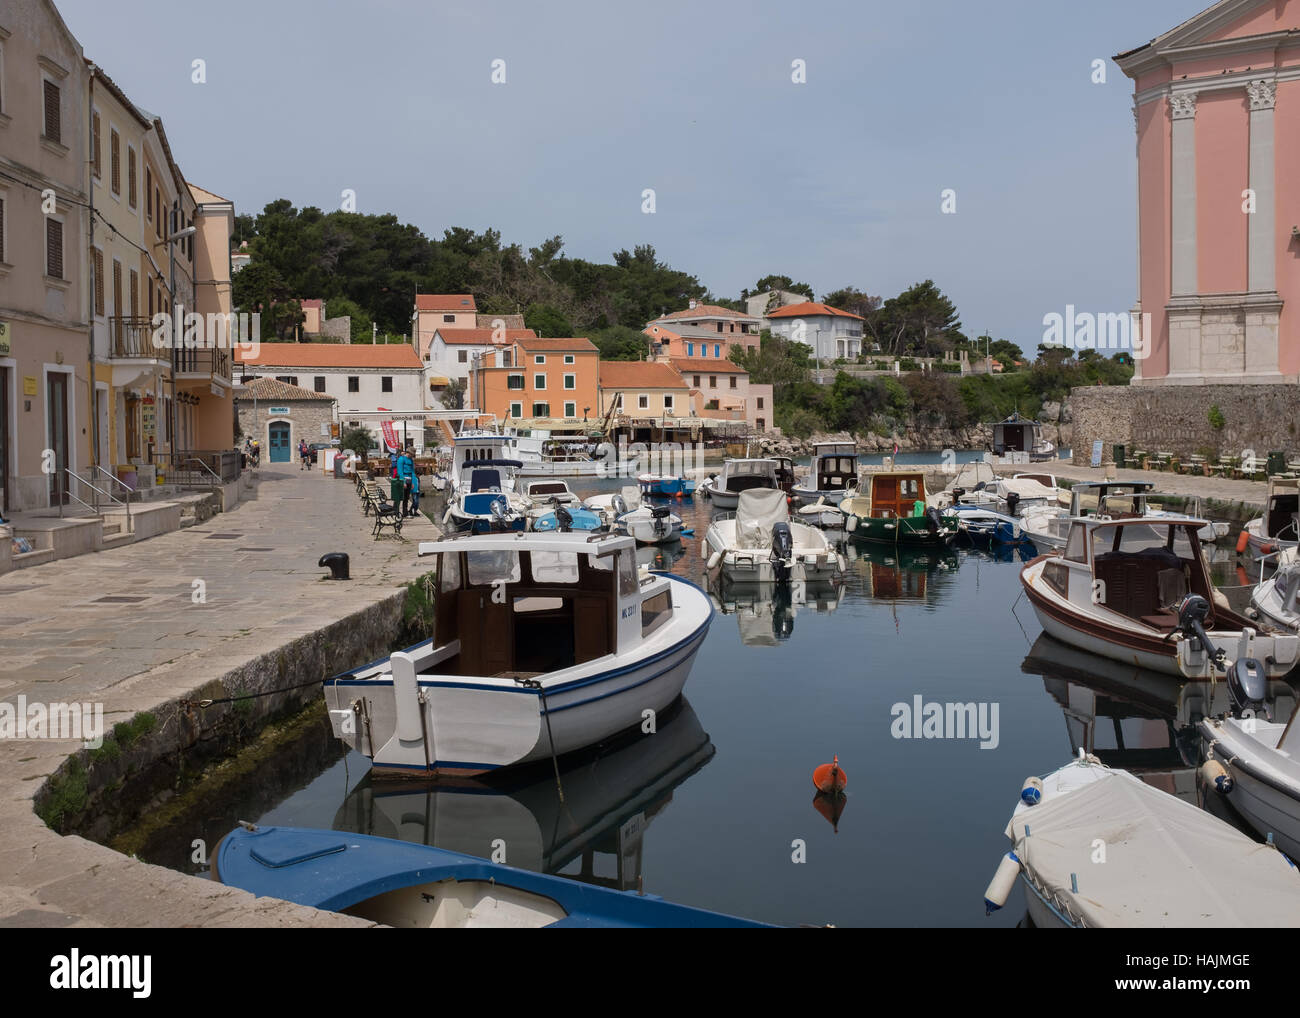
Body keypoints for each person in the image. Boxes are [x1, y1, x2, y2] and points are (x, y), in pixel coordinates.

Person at [397, 449, 421, 517]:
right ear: (408, 453)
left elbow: (413, 472)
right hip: (403, 479)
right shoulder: (401, 459)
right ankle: (396, 512)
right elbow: (400, 471)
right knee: (400, 498)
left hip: (410, 480)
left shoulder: (411, 460)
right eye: (411, 455)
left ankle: (405, 513)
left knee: (406, 498)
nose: (412, 456)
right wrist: (403, 482)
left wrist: (413, 482)